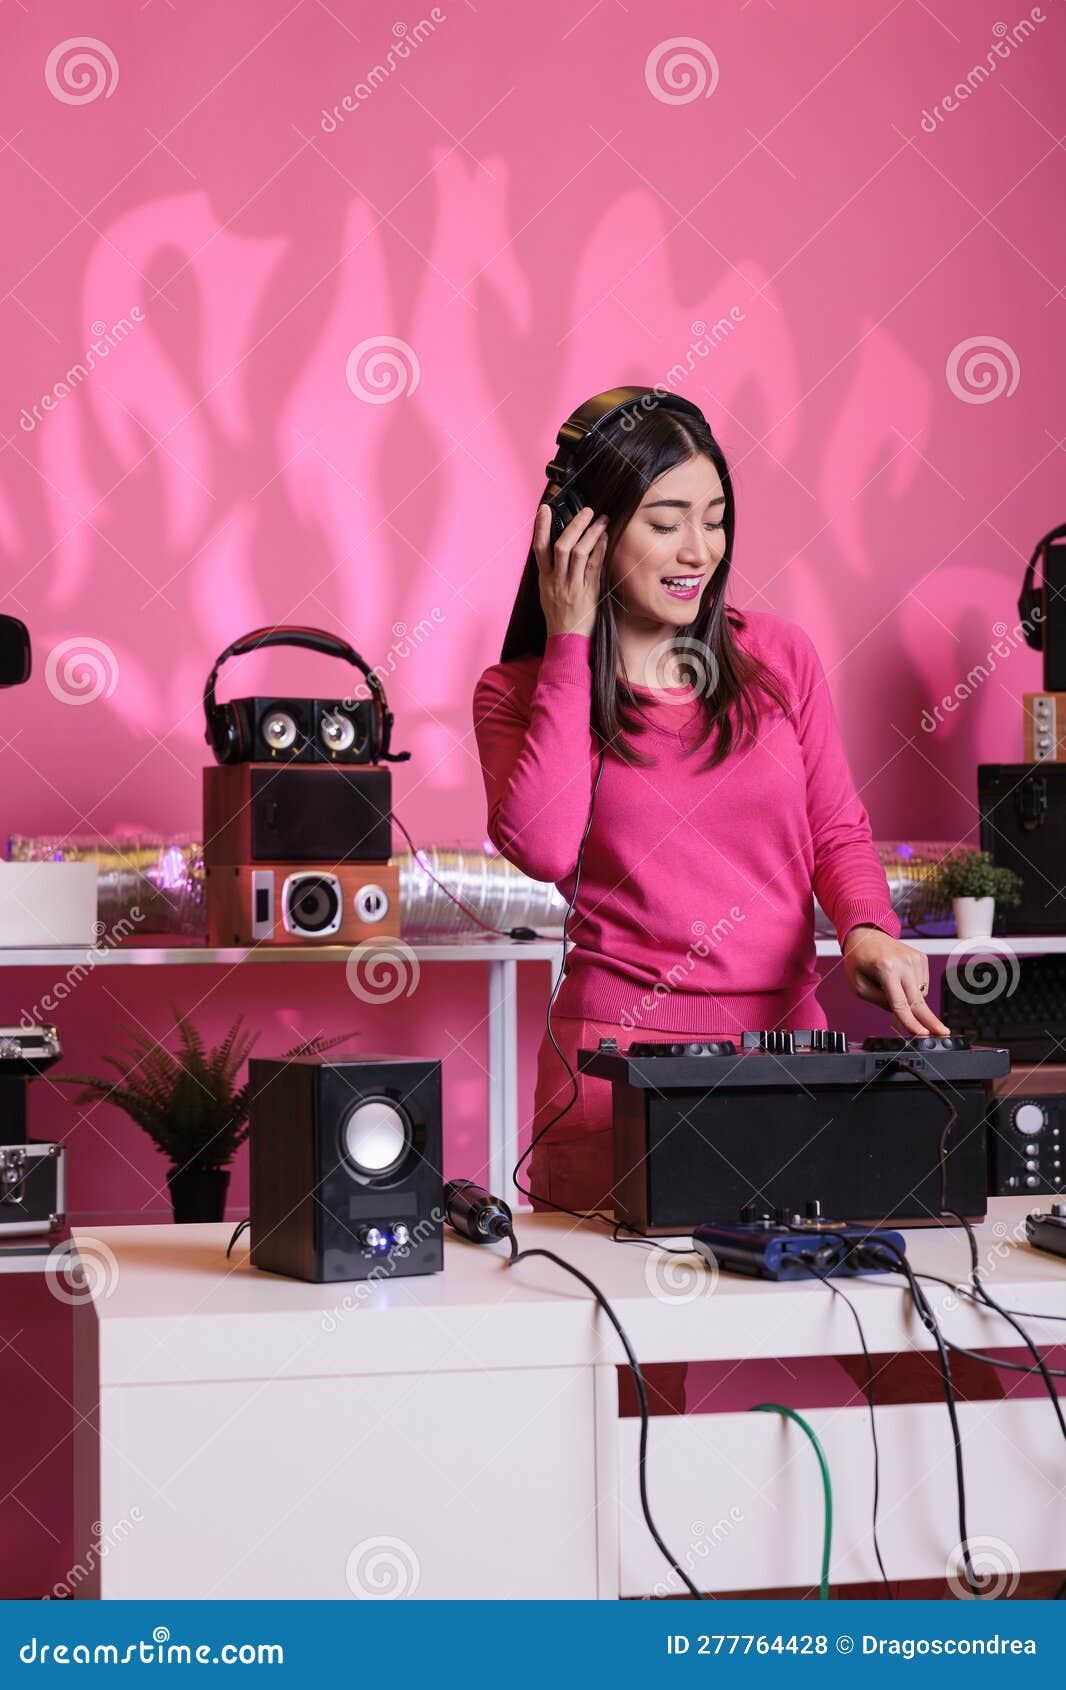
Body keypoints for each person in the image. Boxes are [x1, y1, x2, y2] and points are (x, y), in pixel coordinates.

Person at [471, 395, 974, 1421]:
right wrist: (571, 645)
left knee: (897, 1347)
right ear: (585, 529)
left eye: (715, 515)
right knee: (635, 1393)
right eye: (665, 519)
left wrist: (871, 931)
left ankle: (958, 1578)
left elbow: (834, 826)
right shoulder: (518, 689)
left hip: (787, 1060)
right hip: (618, 1076)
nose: (697, 547)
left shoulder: (774, 657)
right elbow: (540, 843)